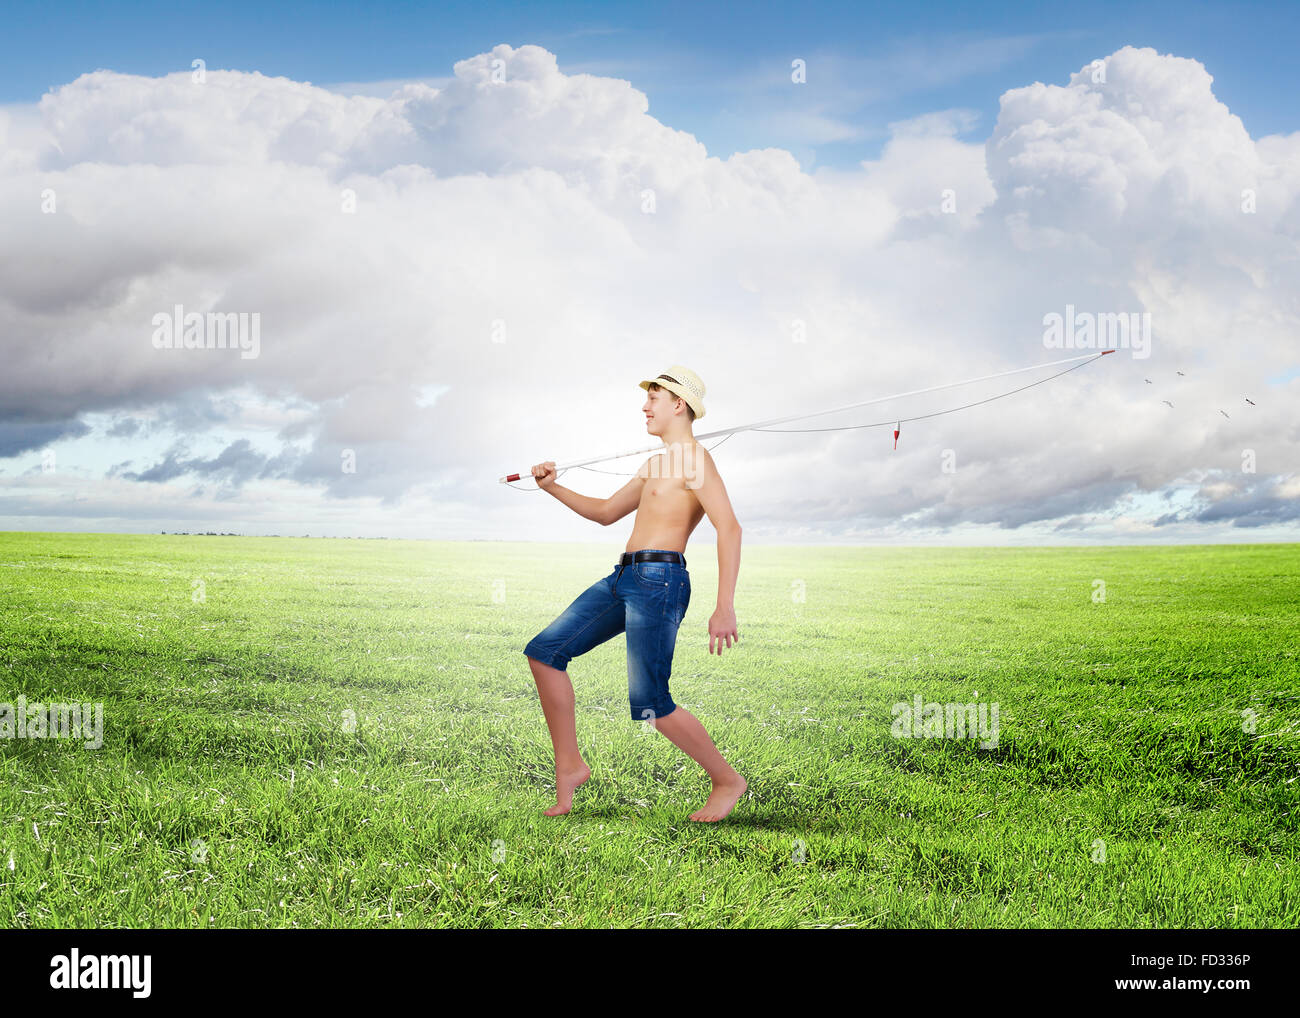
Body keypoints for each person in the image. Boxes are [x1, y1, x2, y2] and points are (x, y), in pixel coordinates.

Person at [522, 365, 747, 822]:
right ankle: (570, 766)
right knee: (544, 653)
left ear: (678, 404)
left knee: (650, 704)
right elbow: (606, 513)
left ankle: (727, 780)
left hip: (660, 582)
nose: (645, 407)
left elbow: (730, 528)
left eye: (654, 399)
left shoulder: (695, 460)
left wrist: (724, 606)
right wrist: (552, 487)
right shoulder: (656, 463)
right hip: (622, 578)